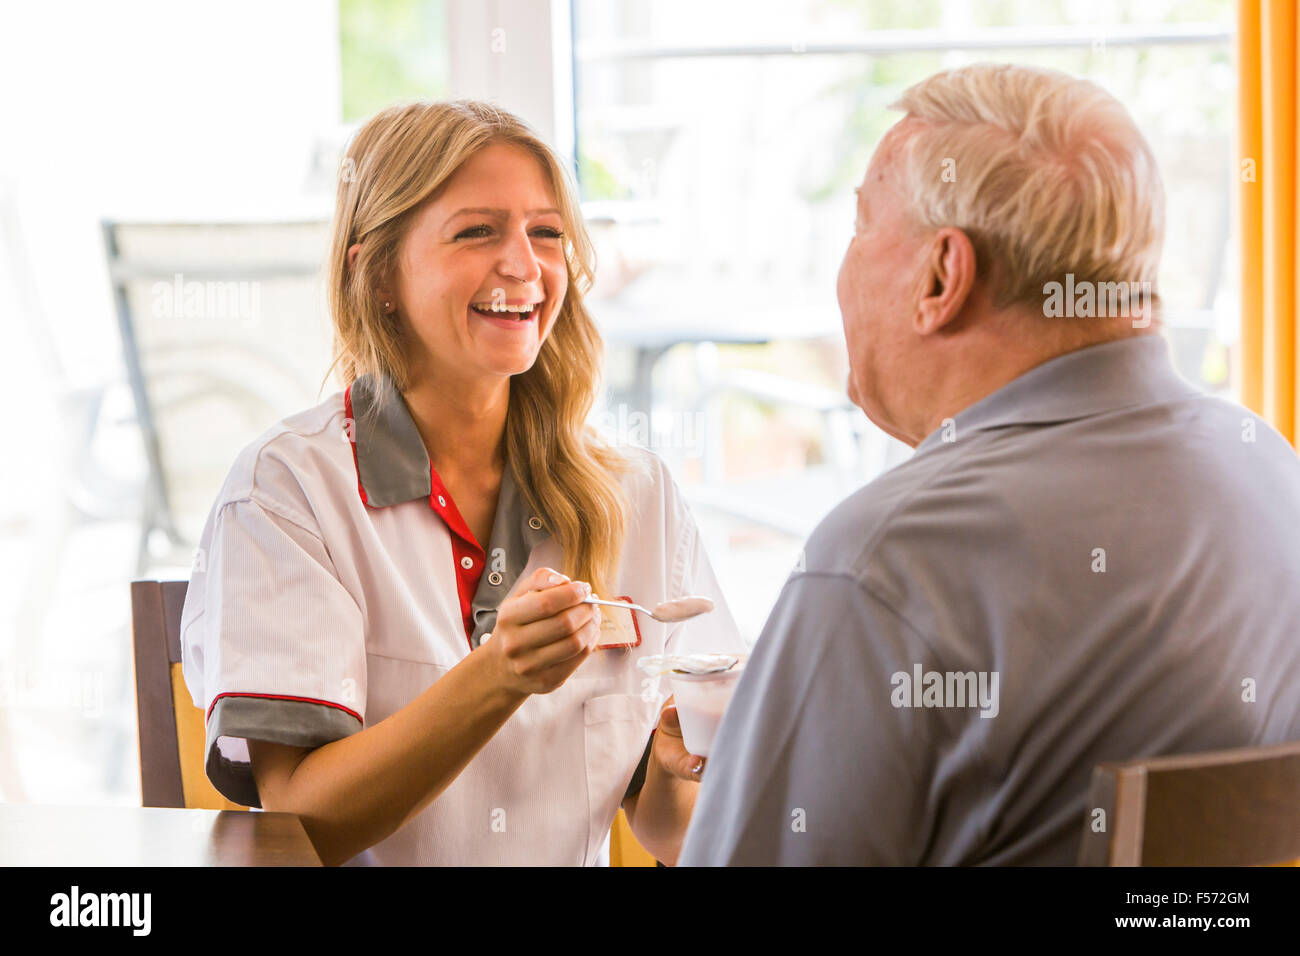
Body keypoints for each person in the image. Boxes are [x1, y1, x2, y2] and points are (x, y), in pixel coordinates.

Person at [678, 62, 1300, 865]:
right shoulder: (1272, 475)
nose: (844, 266)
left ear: (942, 276)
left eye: (861, 226)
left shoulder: (886, 561)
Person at [179, 99, 745, 866]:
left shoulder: (636, 494)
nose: (524, 265)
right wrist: (499, 676)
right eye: (477, 231)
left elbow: (673, 833)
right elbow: (306, 826)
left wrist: (680, 773)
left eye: (546, 233)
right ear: (377, 272)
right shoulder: (289, 493)